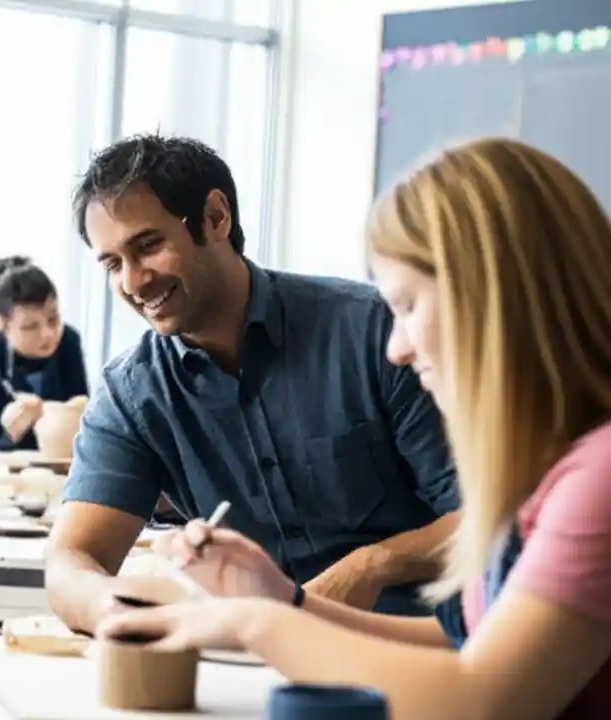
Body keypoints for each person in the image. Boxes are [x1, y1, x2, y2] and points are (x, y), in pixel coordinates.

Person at [100, 138, 611, 720]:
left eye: (409, 306)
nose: (396, 348)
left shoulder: (599, 480)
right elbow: (465, 642)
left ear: (498, 298)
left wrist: (252, 622)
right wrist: (280, 597)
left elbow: (482, 697)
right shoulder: (558, 472)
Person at [46, 133, 460, 632]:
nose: (134, 282)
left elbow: (490, 520)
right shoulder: (133, 394)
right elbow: (70, 564)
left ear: (216, 217)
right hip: (258, 661)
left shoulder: (377, 334)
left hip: (425, 653)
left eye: (148, 246)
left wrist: (372, 564)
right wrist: (114, 610)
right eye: (113, 264)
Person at [0, 256, 88, 451]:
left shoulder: (68, 340)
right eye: (30, 327)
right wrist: (10, 433)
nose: (48, 335)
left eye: (53, 320)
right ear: (3, 324)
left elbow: (80, 405)